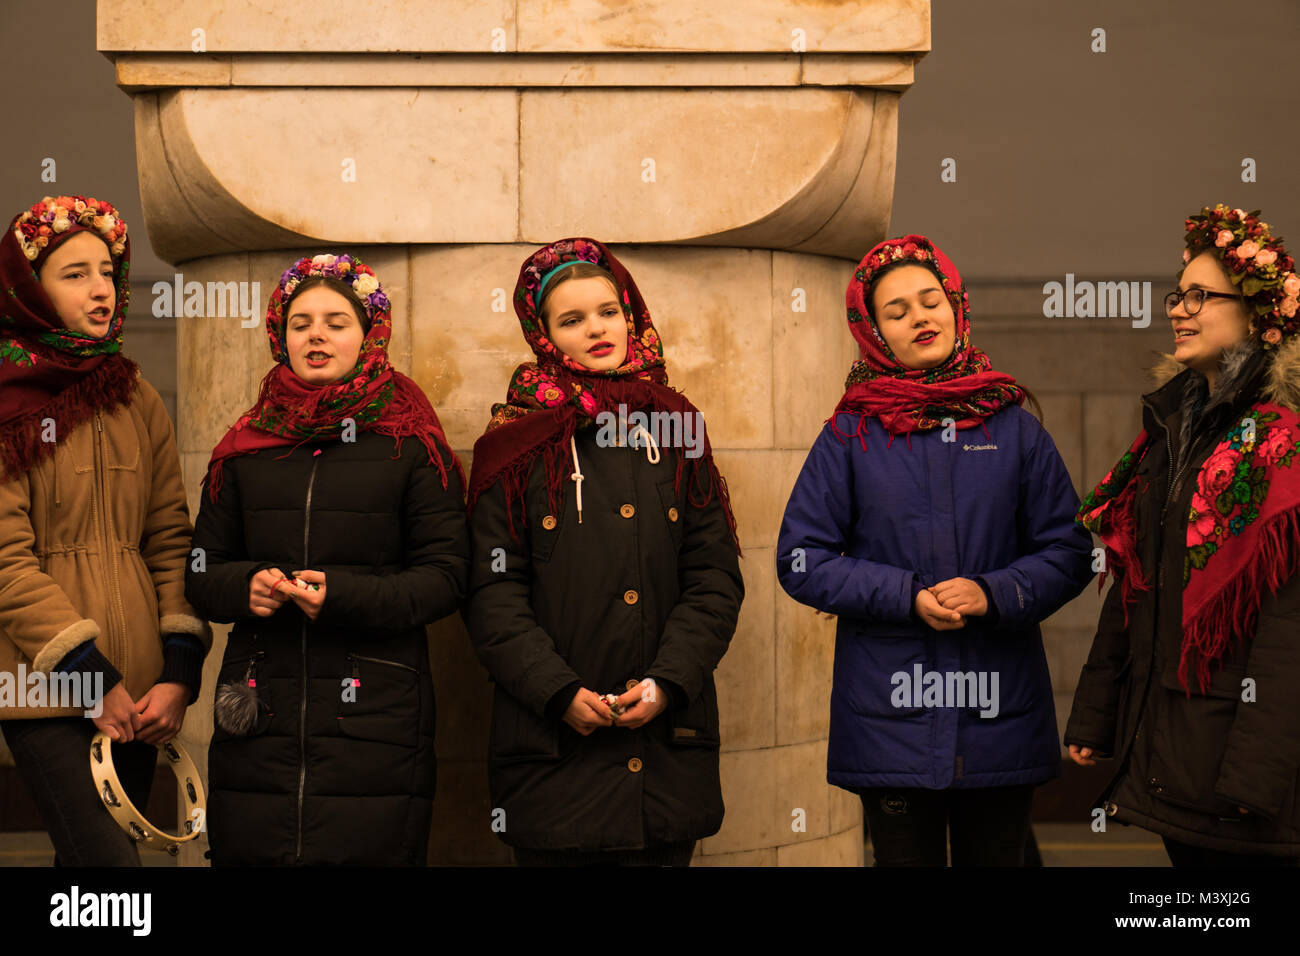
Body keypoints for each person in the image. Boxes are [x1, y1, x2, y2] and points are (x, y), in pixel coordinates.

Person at [777, 234, 1094, 866]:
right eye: (897, 312)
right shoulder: (850, 434)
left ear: (957, 306)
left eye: (931, 300)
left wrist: (993, 592)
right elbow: (801, 558)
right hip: (889, 717)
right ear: (874, 333)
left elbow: (1069, 550)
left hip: (999, 712)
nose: (921, 317)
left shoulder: (1015, 428)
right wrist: (905, 596)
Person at [464, 237, 743, 866]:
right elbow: (491, 591)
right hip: (551, 757)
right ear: (544, 336)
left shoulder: (677, 430)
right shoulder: (514, 446)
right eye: (572, 319)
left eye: (608, 311)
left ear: (630, 315)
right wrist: (558, 692)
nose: (597, 329)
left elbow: (714, 577)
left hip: (666, 754)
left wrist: (668, 682)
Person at [184, 253, 468, 866]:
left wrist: (342, 596)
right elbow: (201, 571)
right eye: (301, 322)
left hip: (374, 720)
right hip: (259, 717)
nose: (316, 334)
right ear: (279, 336)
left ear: (370, 334)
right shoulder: (245, 446)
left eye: (337, 321)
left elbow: (447, 577)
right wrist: (242, 587)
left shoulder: (410, 443)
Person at [1066, 204, 1300, 866]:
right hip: (1179, 751)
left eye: (1202, 296)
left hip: (1240, 774)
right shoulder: (1175, 435)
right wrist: (1097, 713)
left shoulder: (1280, 448)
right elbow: (1136, 586)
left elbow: (1289, 632)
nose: (1178, 309)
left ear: (1256, 317)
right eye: (1178, 294)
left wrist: (1254, 782)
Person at [0, 195, 210, 865]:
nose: (100, 289)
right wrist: (90, 679)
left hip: (144, 695)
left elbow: (170, 540)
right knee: (109, 868)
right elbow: (6, 562)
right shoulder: (7, 402)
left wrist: (177, 670)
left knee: (98, 872)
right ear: (30, 289)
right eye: (73, 274)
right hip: (46, 691)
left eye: (107, 272)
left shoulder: (135, 394)